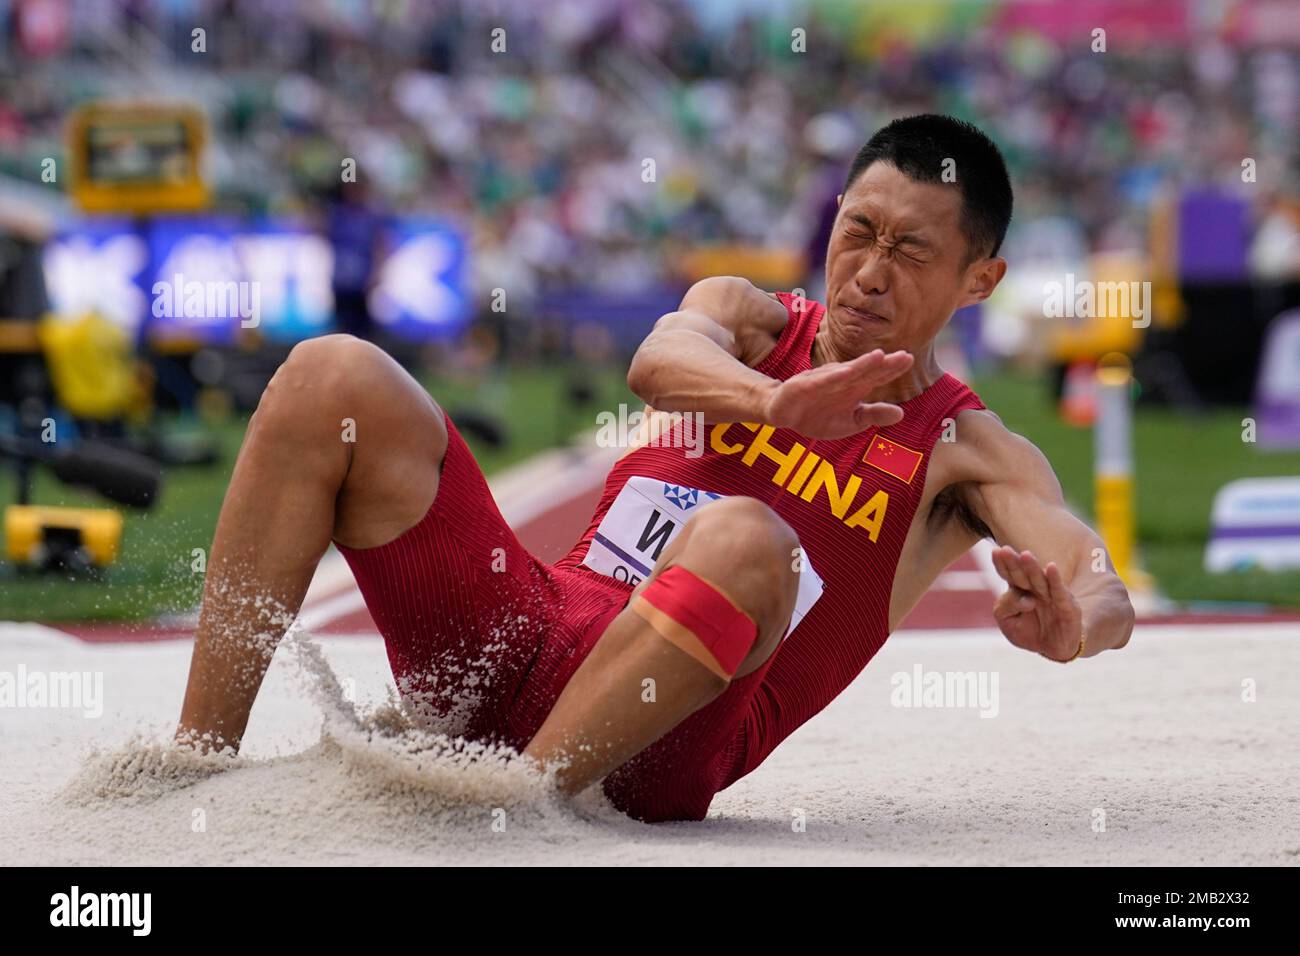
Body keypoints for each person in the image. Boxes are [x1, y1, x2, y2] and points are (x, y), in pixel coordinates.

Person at [177, 114, 1134, 822]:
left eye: (911, 250)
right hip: (530, 633)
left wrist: (1072, 623)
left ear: (980, 280)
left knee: (751, 538)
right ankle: (192, 766)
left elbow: (1097, 580)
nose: (870, 272)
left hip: (660, 741)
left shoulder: (965, 450)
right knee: (330, 373)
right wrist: (771, 402)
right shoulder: (751, 320)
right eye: (859, 233)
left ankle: (512, 823)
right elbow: (658, 360)